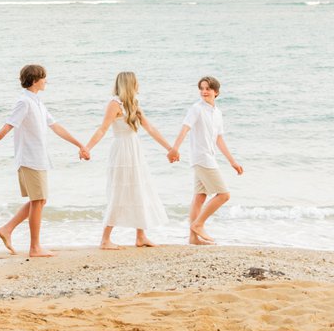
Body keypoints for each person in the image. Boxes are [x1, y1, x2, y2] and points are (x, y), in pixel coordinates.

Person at [0, 63, 88, 258]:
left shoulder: (37, 102)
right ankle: (34, 247)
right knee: (37, 201)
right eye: (44, 78)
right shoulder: (24, 102)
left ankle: (7, 229)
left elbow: (56, 127)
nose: (46, 81)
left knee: (40, 200)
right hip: (29, 158)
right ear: (35, 80)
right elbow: (7, 127)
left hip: (39, 158)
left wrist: (80, 145)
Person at [81, 71, 174, 249]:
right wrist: (87, 148)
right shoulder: (114, 104)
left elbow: (151, 129)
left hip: (134, 150)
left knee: (140, 189)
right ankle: (105, 239)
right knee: (119, 193)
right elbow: (102, 129)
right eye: (136, 82)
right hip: (122, 152)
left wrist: (170, 148)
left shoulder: (134, 104)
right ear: (130, 84)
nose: (138, 85)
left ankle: (141, 236)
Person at [168, 74, 244, 245]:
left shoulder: (217, 113)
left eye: (207, 89)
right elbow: (185, 128)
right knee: (224, 195)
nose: (204, 92)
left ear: (216, 92)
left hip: (210, 156)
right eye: (201, 89)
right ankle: (199, 224)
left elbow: (219, 139)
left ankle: (193, 238)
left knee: (200, 197)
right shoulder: (197, 108)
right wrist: (175, 148)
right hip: (201, 157)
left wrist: (233, 161)